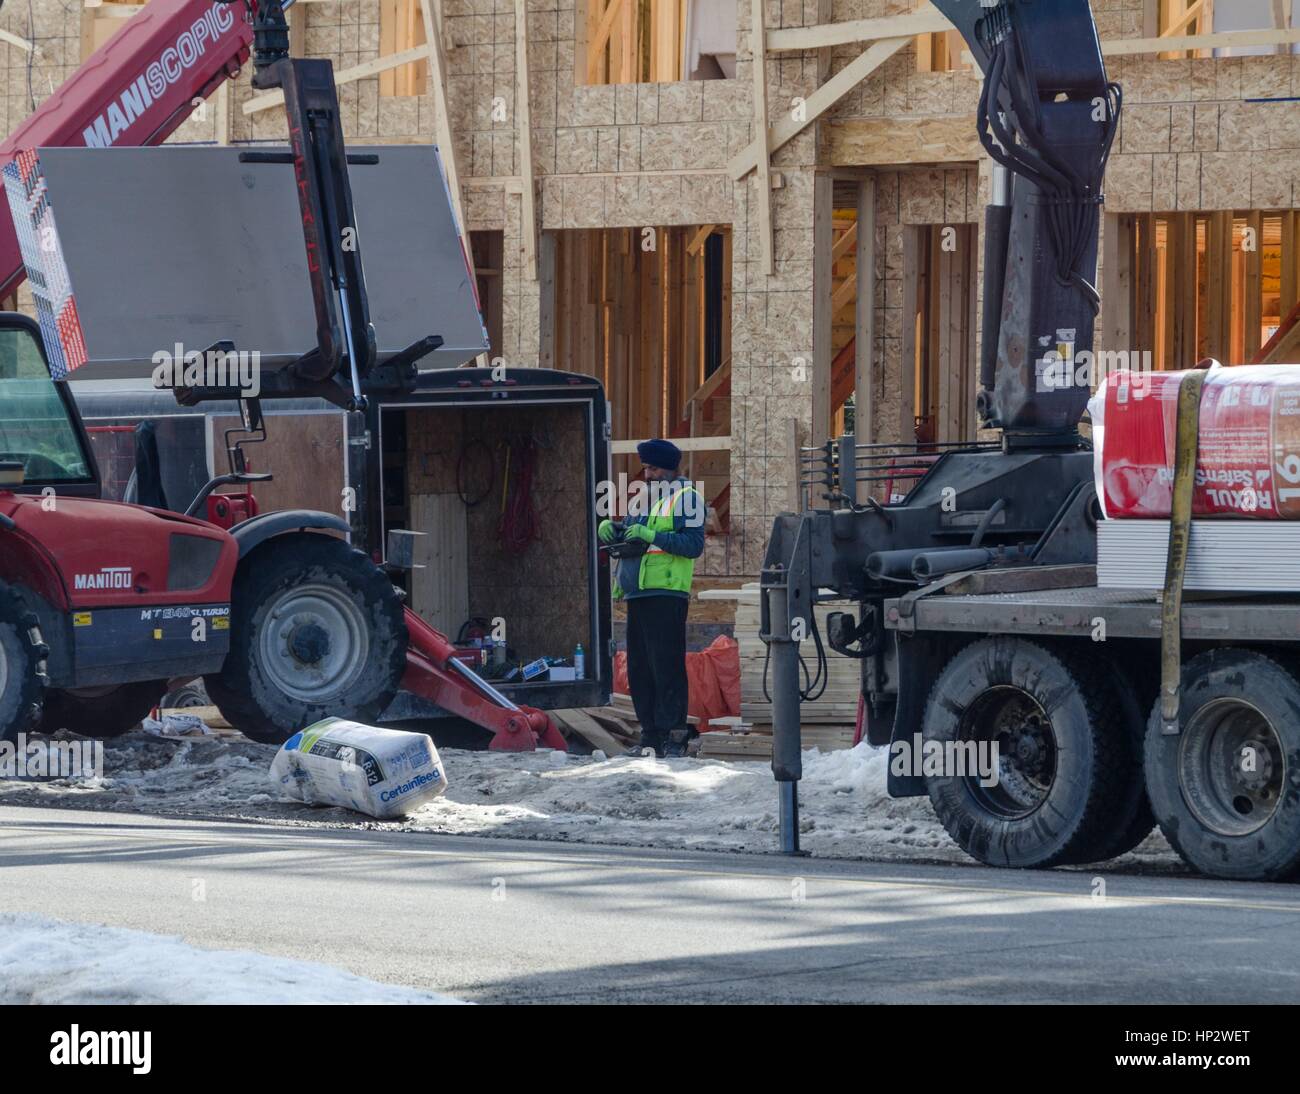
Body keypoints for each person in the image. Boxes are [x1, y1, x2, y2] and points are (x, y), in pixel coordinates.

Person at [599, 438, 705, 758]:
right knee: (641, 670)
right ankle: (650, 737)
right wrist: (613, 529)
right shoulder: (645, 500)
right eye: (646, 468)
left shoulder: (688, 498)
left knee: (666, 667)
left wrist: (652, 535)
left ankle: (674, 738)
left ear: (671, 469)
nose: (648, 474)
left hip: (667, 592)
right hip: (638, 593)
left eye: (654, 468)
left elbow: (693, 545)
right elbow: (634, 536)